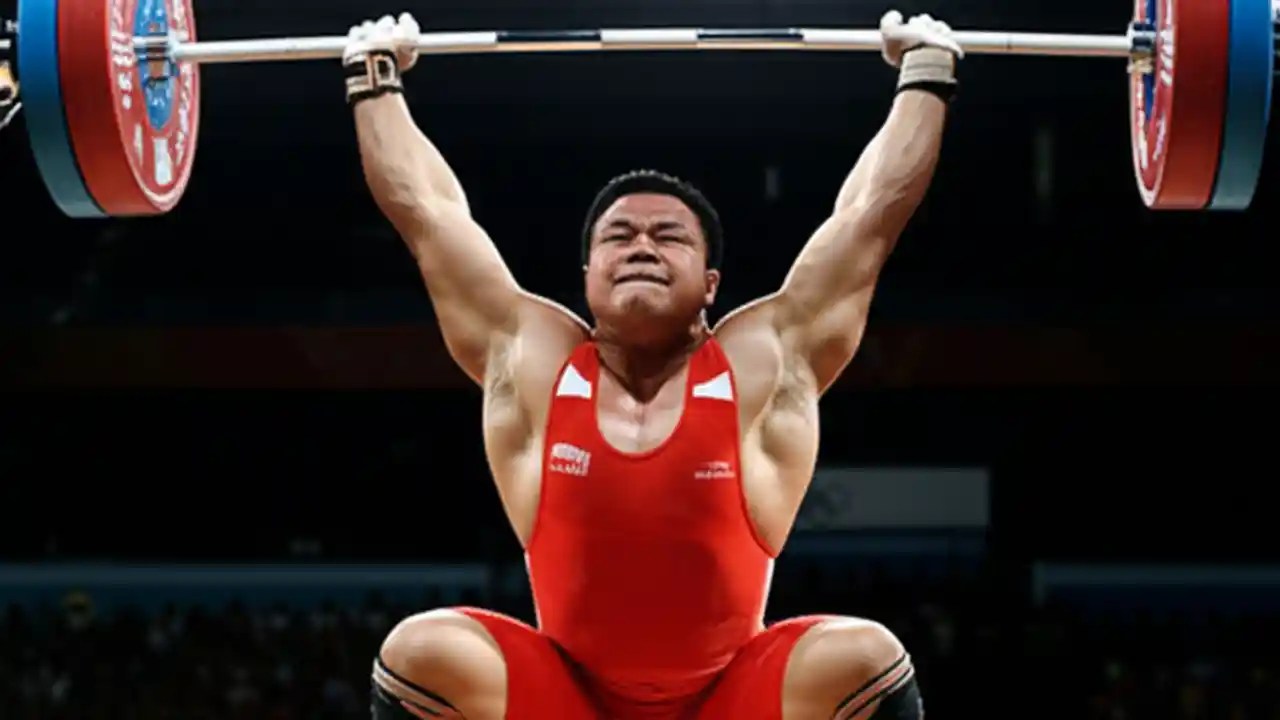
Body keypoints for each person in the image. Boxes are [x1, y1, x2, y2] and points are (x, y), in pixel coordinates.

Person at [345, 9, 961, 719]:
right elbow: (430, 215)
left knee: (867, 658)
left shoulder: (762, 361)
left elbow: (867, 221)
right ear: (587, 275)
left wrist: (924, 74)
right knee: (418, 653)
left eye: (669, 236)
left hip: (733, 697)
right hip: (568, 701)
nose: (642, 245)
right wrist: (374, 80)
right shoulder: (533, 359)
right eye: (619, 236)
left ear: (710, 284)